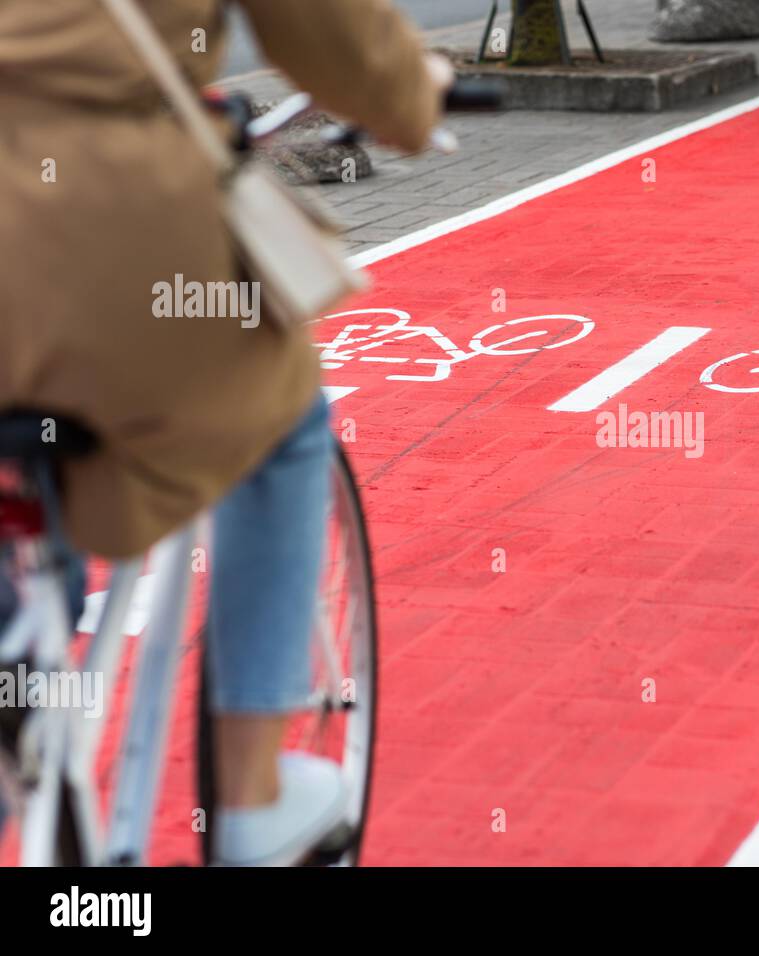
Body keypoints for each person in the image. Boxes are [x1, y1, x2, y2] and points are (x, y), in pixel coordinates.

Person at [0, 0, 452, 864]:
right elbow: (331, 31)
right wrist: (411, 92)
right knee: (285, 416)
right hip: (92, 232)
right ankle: (252, 798)